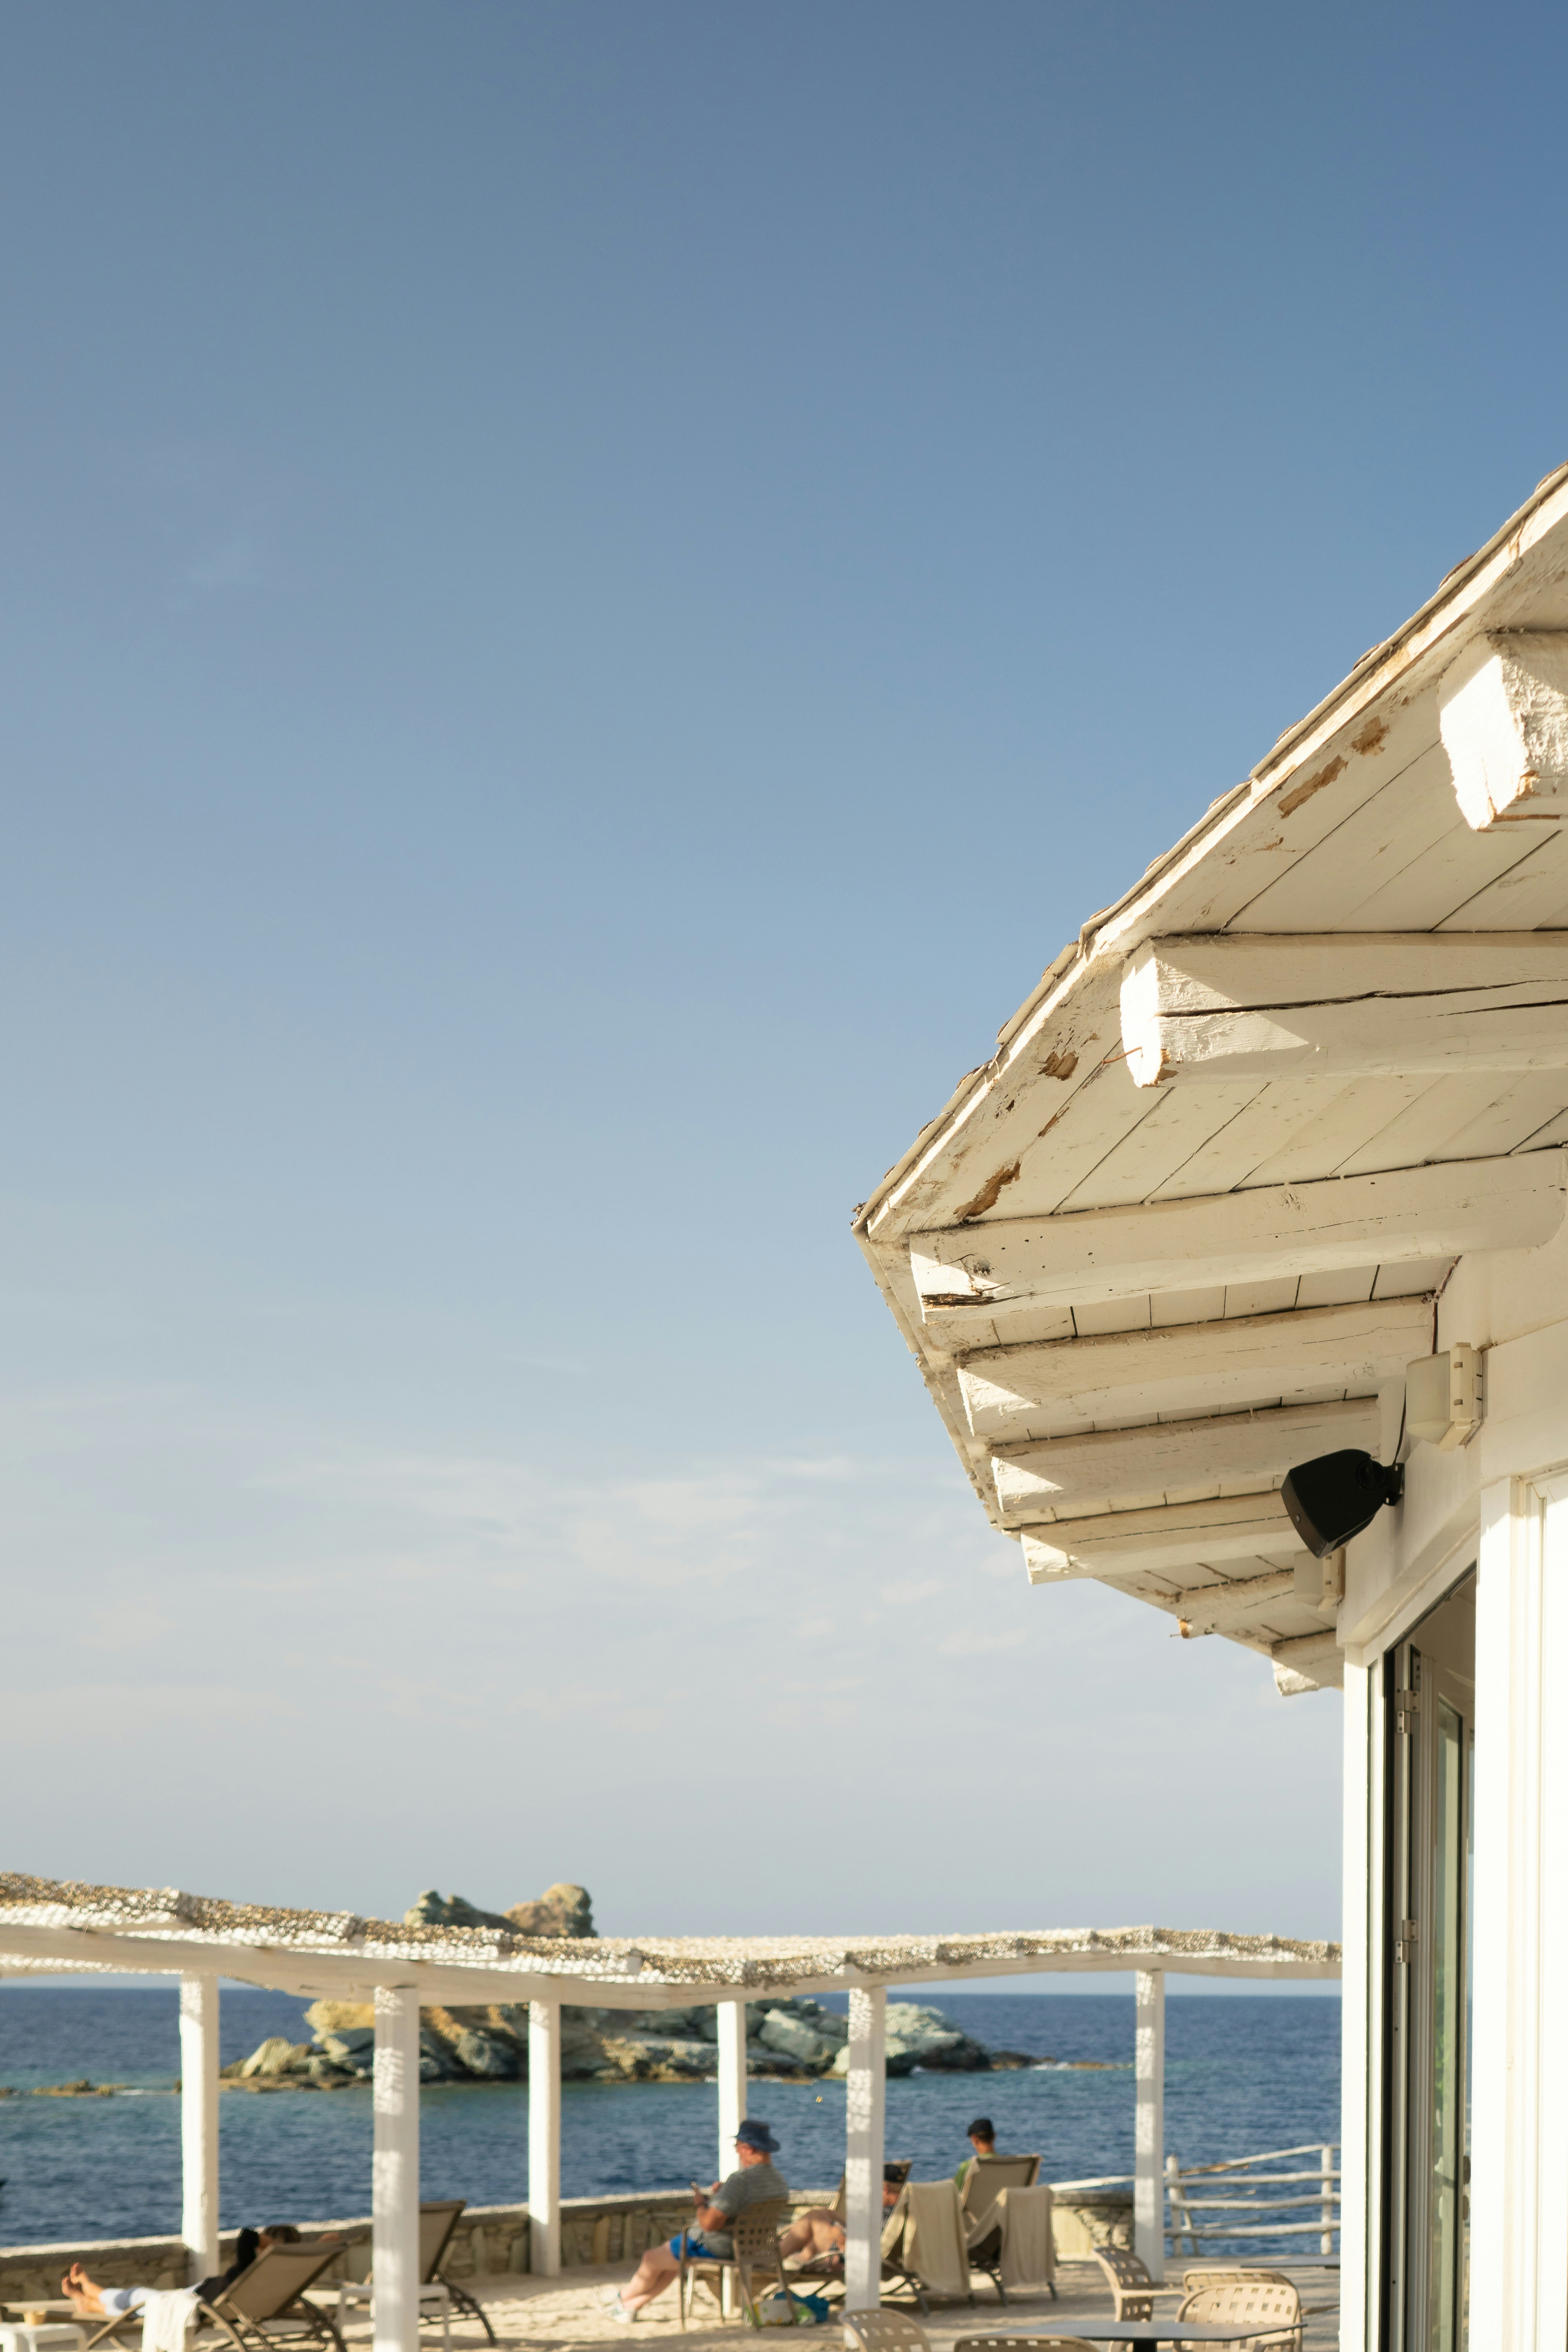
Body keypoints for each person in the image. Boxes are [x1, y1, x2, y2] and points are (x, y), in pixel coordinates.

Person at [605, 2119, 788, 2321]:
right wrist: (723, 2195)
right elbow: (748, 2208)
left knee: (651, 2259)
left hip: (718, 2246)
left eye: (738, 2147)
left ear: (749, 2148)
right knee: (669, 2265)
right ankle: (629, 2307)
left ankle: (619, 2298)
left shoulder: (741, 2180)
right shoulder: (779, 2181)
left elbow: (709, 2225)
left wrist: (701, 2204)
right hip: (752, 2247)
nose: (737, 2152)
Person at [63, 2226, 316, 2319]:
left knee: (135, 2297)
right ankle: (87, 2295)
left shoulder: (256, 2267)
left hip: (196, 2304)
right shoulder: (292, 2272)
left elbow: (247, 2235)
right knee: (140, 2302)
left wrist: (271, 2248)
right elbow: (335, 2238)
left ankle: (87, 2295)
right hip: (207, 2301)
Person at [776, 2170, 902, 2264]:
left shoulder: (883, 2212)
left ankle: (776, 2260)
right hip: (867, 2250)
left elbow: (858, 2239)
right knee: (825, 2214)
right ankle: (802, 2258)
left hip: (853, 2257)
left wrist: (837, 2230)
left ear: (885, 2189)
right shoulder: (901, 2210)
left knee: (814, 2218)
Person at [954, 2117, 996, 2192]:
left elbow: (954, 2194)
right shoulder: (1010, 2165)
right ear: (994, 2136)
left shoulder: (967, 2167)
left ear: (975, 2139)